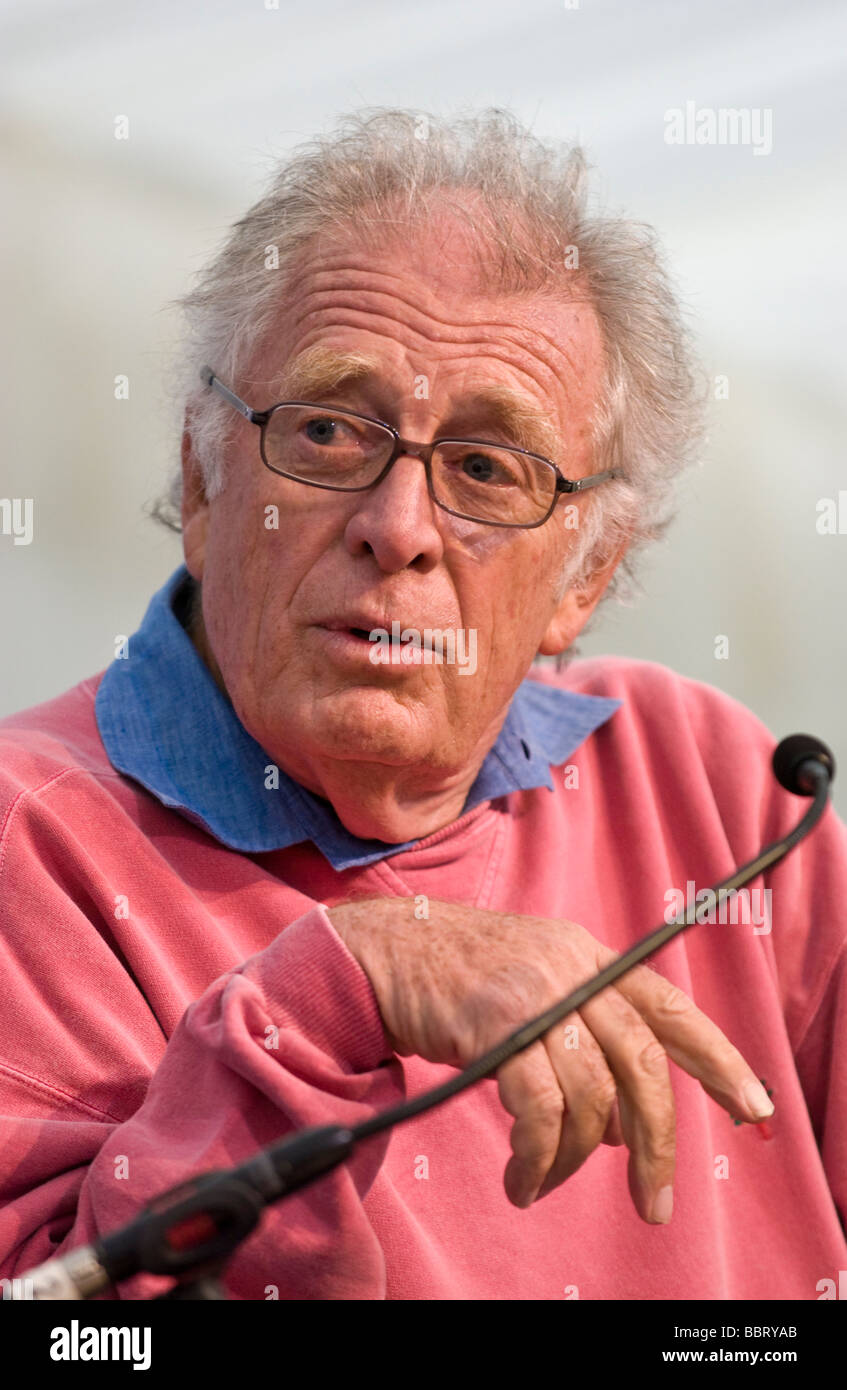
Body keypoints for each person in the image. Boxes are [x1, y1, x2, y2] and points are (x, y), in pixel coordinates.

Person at [1, 108, 844, 1301]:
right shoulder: (27, 843)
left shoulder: (713, 783)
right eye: (331, 431)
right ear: (200, 477)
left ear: (584, 579)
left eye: (489, 469)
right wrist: (346, 979)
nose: (396, 528)